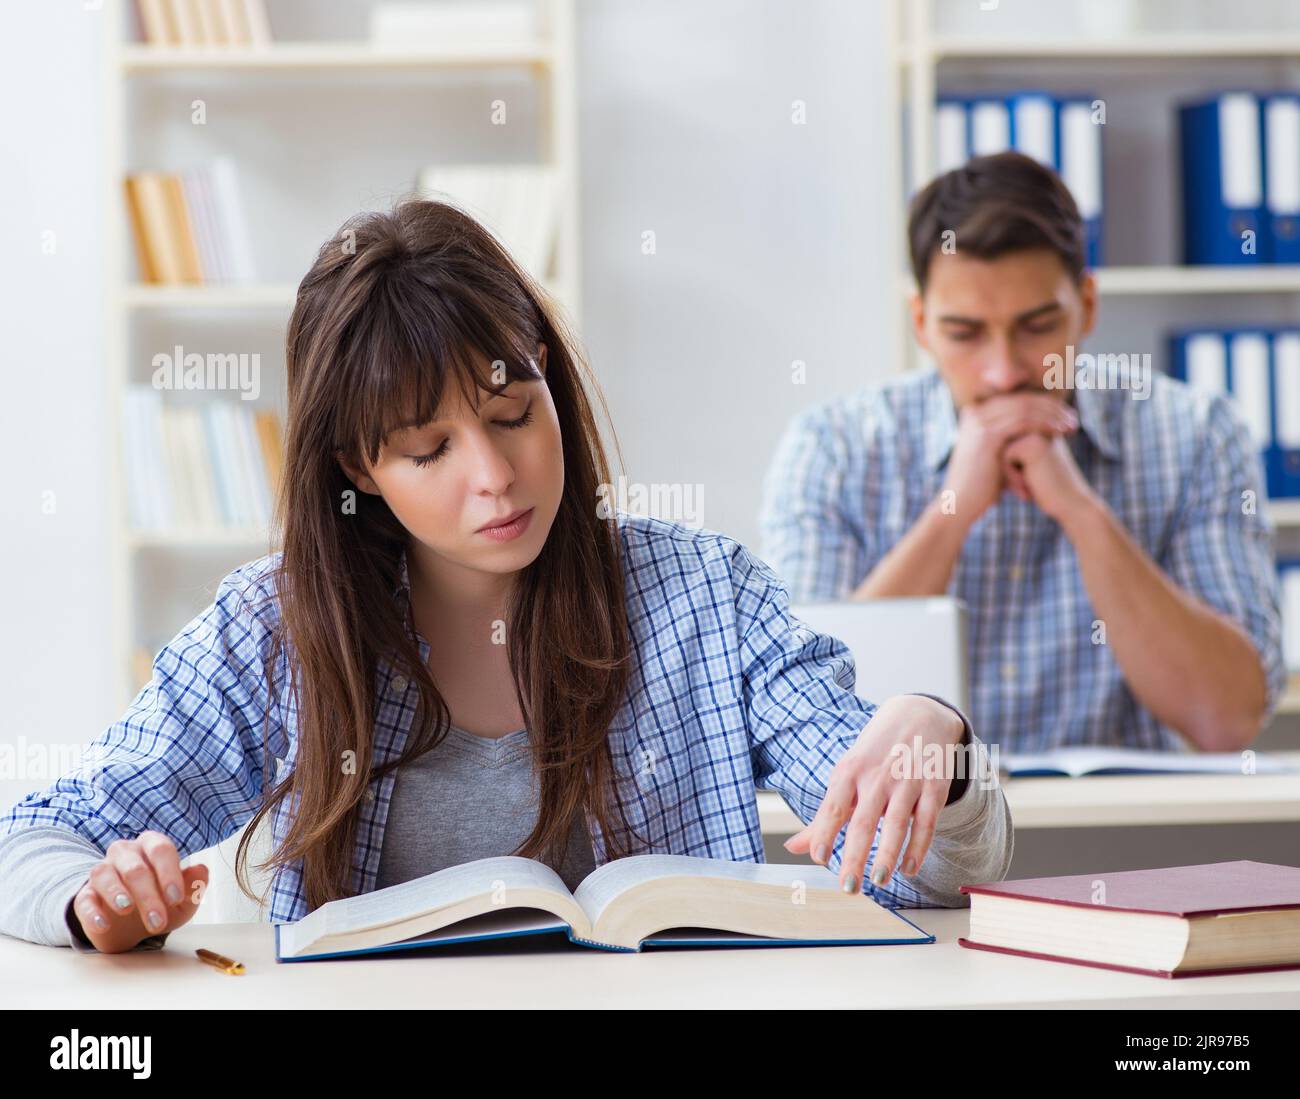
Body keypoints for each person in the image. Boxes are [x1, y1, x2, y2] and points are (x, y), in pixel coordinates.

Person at [0, 198, 1011, 954]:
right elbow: (30, 839)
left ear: (543, 373)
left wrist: (938, 737)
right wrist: (95, 901)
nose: (494, 479)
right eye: (428, 450)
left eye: (511, 414)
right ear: (359, 468)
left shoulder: (707, 596)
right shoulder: (274, 631)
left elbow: (934, 877)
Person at [760, 151, 1285, 756]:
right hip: (916, 842)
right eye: (965, 333)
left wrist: (1083, 514)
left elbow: (1226, 721)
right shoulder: (832, 447)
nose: (1004, 372)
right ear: (922, 322)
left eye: (1036, 327)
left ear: (1086, 306)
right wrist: (951, 513)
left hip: (1130, 832)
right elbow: (804, 712)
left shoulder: (1197, 433)